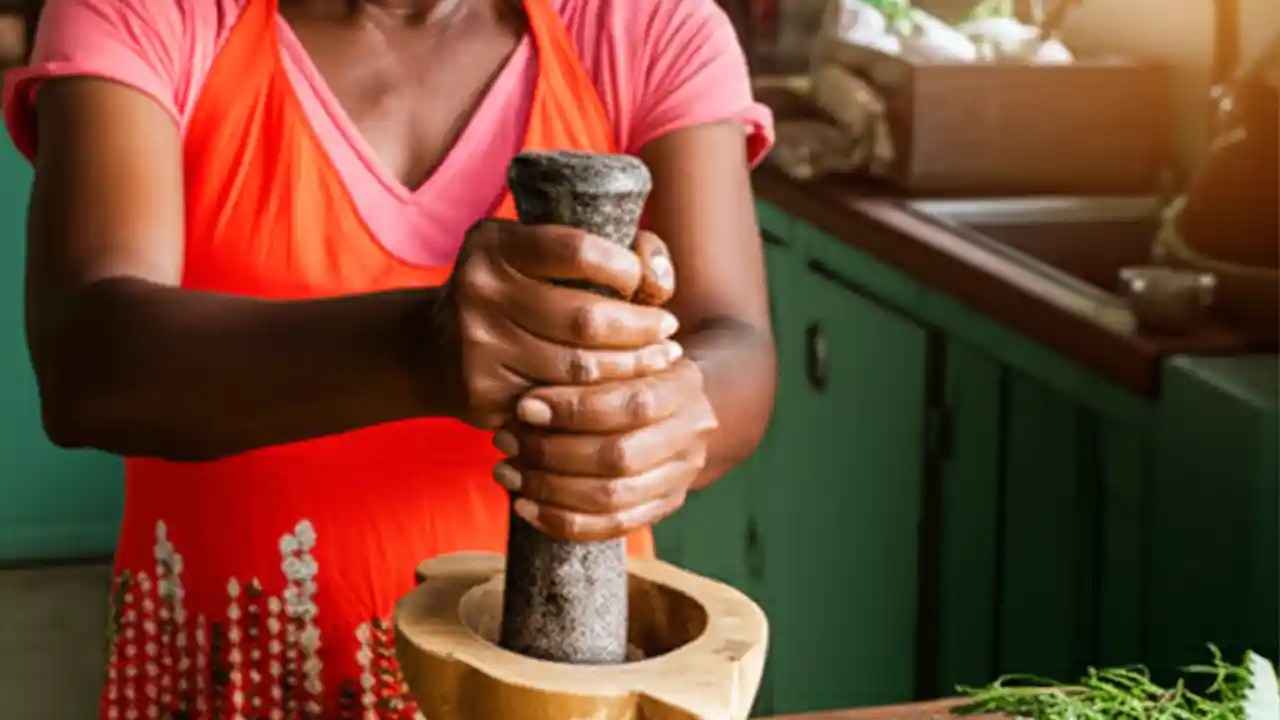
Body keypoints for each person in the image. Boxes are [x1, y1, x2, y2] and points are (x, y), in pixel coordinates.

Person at [4, 0, 776, 715]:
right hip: (225, 685)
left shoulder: (646, 27)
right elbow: (88, 360)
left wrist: (665, 414)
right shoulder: (147, 13)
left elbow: (733, 342)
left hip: (558, 689)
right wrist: (419, 347)